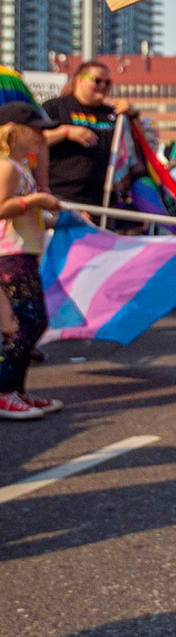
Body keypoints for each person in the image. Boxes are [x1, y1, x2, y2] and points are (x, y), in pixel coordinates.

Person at [0, 101, 62, 420]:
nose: (41, 137)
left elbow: (25, 215)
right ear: (13, 132)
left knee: (30, 322)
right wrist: (36, 199)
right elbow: (1, 208)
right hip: (10, 254)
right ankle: (4, 390)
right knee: (30, 322)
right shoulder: (7, 167)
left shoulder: (19, 166)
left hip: (23, 250)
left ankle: (16, 390)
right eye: (35, 130)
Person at [40, 61, 139, 213]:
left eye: (108, 82)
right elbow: (33, 140)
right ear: (79, 80)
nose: (103, 86)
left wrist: (133, 113)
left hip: (102, 199)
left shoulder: (113, 114)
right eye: (97, 81)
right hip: (62, 196)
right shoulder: (55, 107)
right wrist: (65, 132)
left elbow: (141, 143)